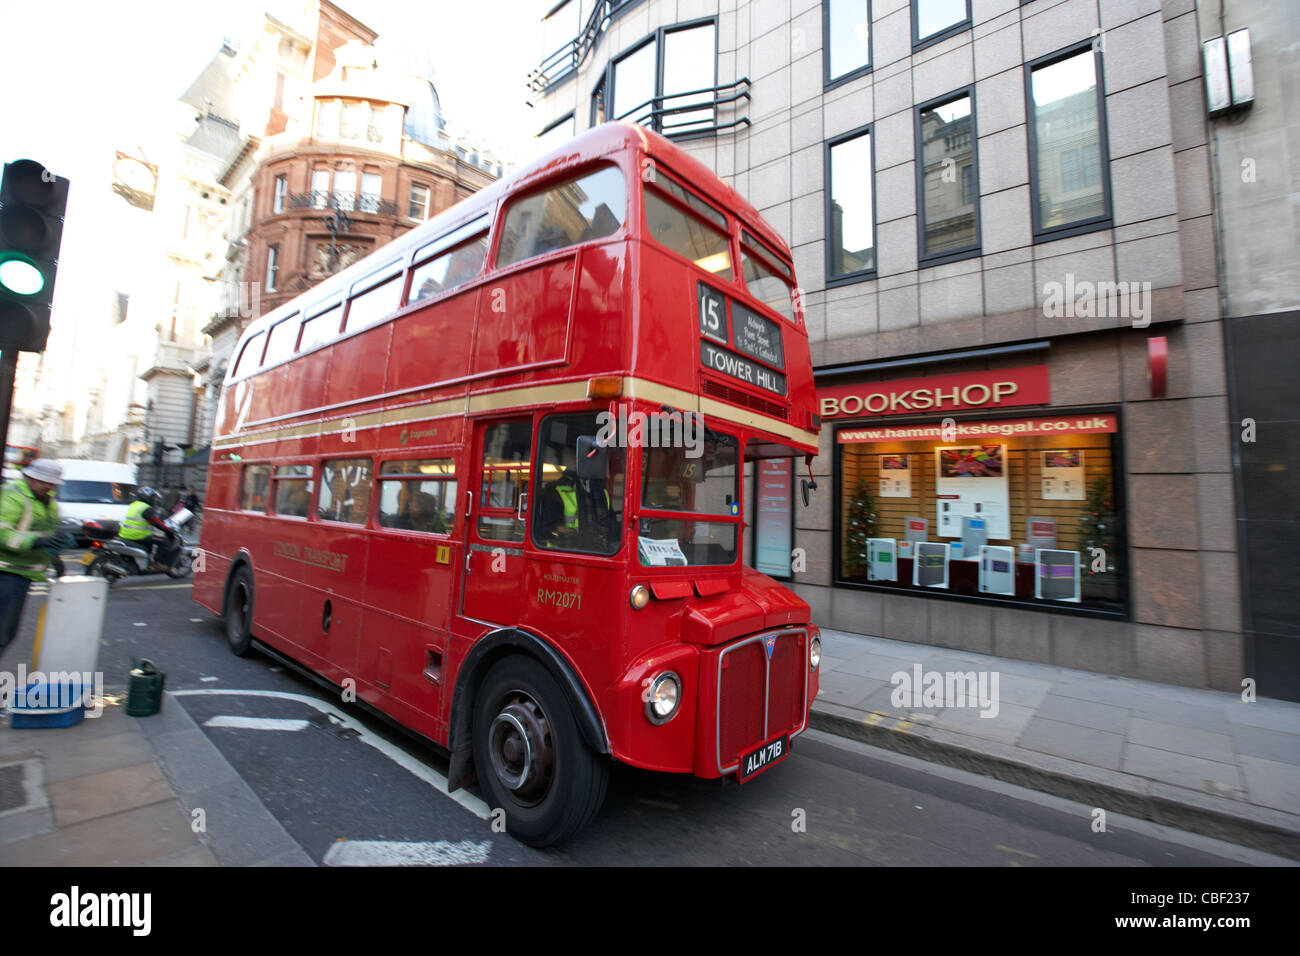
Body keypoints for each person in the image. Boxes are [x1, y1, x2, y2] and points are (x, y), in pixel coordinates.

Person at [0, 459, 74, 653]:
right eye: (44, 482)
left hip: (22, 574)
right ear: (28, 477)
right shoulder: (11, 496)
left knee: (6, 634)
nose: (49, 487)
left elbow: (48, 534)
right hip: (6, 573)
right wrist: (36, 542)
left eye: (52, 483)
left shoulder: (50, 503)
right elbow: (3, 533)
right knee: (2, 634)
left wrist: (53, 555)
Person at [119, 487, 180, 569]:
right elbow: (155, 522)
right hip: (137, 535)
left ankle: (148, 560)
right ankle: (158, 563)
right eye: (152, 497)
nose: (153, 500)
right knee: (163, 541)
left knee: (151, 540)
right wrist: (168, 531)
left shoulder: (133, 505)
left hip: (124, 534)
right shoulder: (146, 508)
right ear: (146, 497)